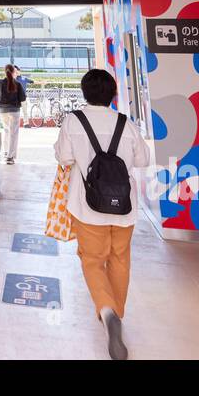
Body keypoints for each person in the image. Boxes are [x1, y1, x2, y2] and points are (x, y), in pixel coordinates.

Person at [53, 68, 151, 360]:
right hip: (124, 208)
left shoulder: (73, 121)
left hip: (87, 206)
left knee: (92, 260)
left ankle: (107, 311)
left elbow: (64, 157)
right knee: (120, 259)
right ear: (112, 94)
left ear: (85, 93)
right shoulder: (125, 123)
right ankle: (115, 313)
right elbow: (143, 159)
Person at [0, 63, 26, 164]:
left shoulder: (0, 82)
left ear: (5, 71)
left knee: (6, 131)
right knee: (13, 133)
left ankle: (5, 152)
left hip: (3, 110)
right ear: (13, 72)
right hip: (14, 111)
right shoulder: (18, 84)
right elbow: (23, 98)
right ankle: (10, 157)